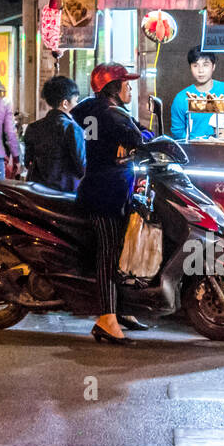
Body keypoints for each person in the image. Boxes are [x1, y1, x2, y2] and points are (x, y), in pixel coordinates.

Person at [72, 63, 147, 345]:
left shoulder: (93, 109)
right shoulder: (110, 114)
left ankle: (121, 310)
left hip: (104, 189)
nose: (129, 88)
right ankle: (106, 317)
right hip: (105, 194)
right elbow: (139, 138)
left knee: (119, 253)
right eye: (126, 84)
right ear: (113, 88)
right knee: (108, 255)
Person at [23, 76, 86, 192]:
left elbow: (27, 162)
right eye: (75, 101)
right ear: (65, 103)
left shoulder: (33, 127)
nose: (77, 105)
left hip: (38, 193)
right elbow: (82, 167)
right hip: (65, 194)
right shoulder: (72, 128)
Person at [170, 48, 224, 140]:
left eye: (205, 65)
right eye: (195, 65)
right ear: (190, 68)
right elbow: (178, 132)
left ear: (213, 66)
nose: (200, 70)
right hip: (194, 151)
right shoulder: (181, 98)